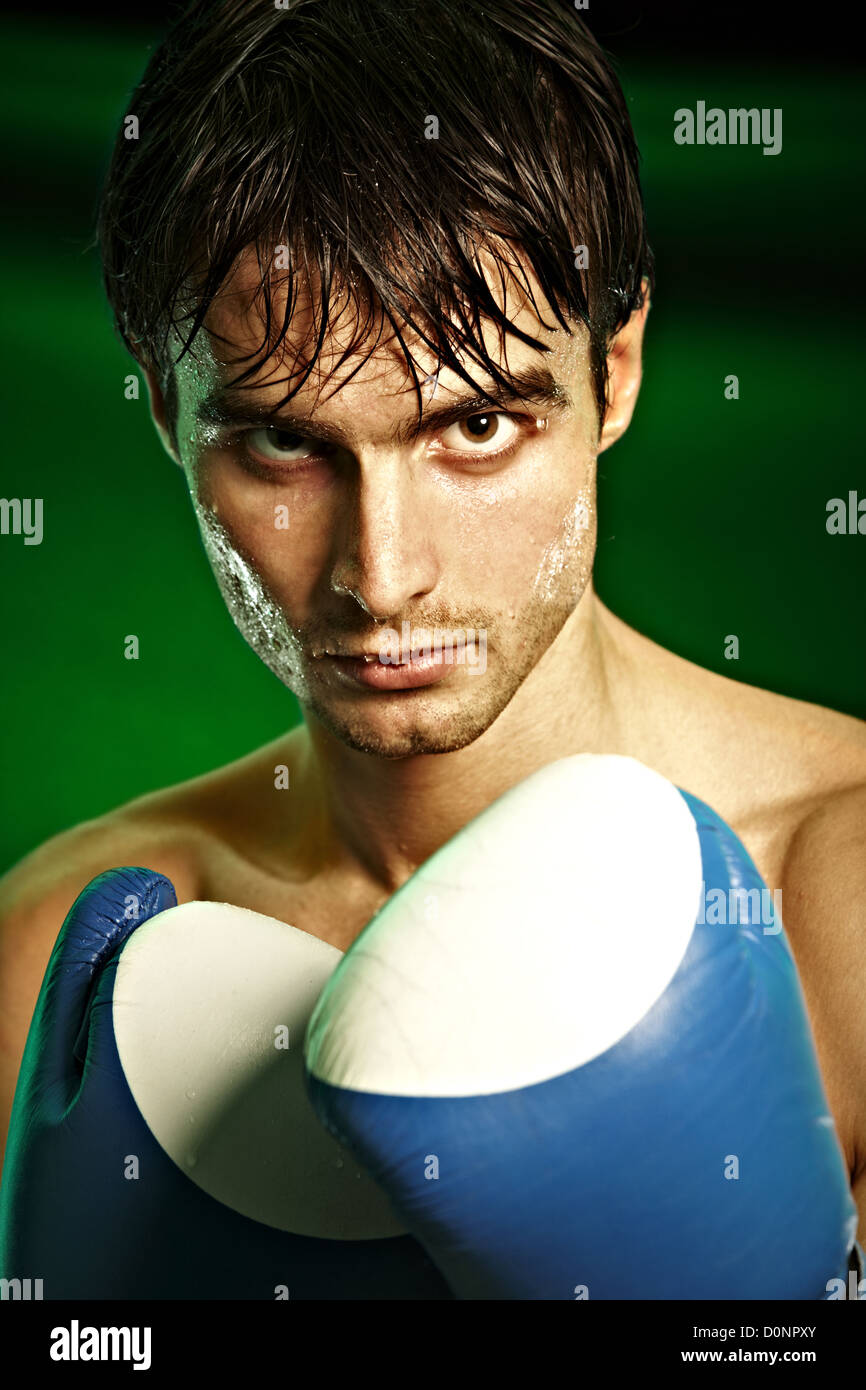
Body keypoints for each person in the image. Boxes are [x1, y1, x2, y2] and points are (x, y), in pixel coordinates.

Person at [1, 0, 865, 1263]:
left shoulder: (834, 896)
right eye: (285, 442)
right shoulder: (57, 976)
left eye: (472, 428)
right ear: (162, 408)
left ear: (612, 371)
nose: (383, 573)